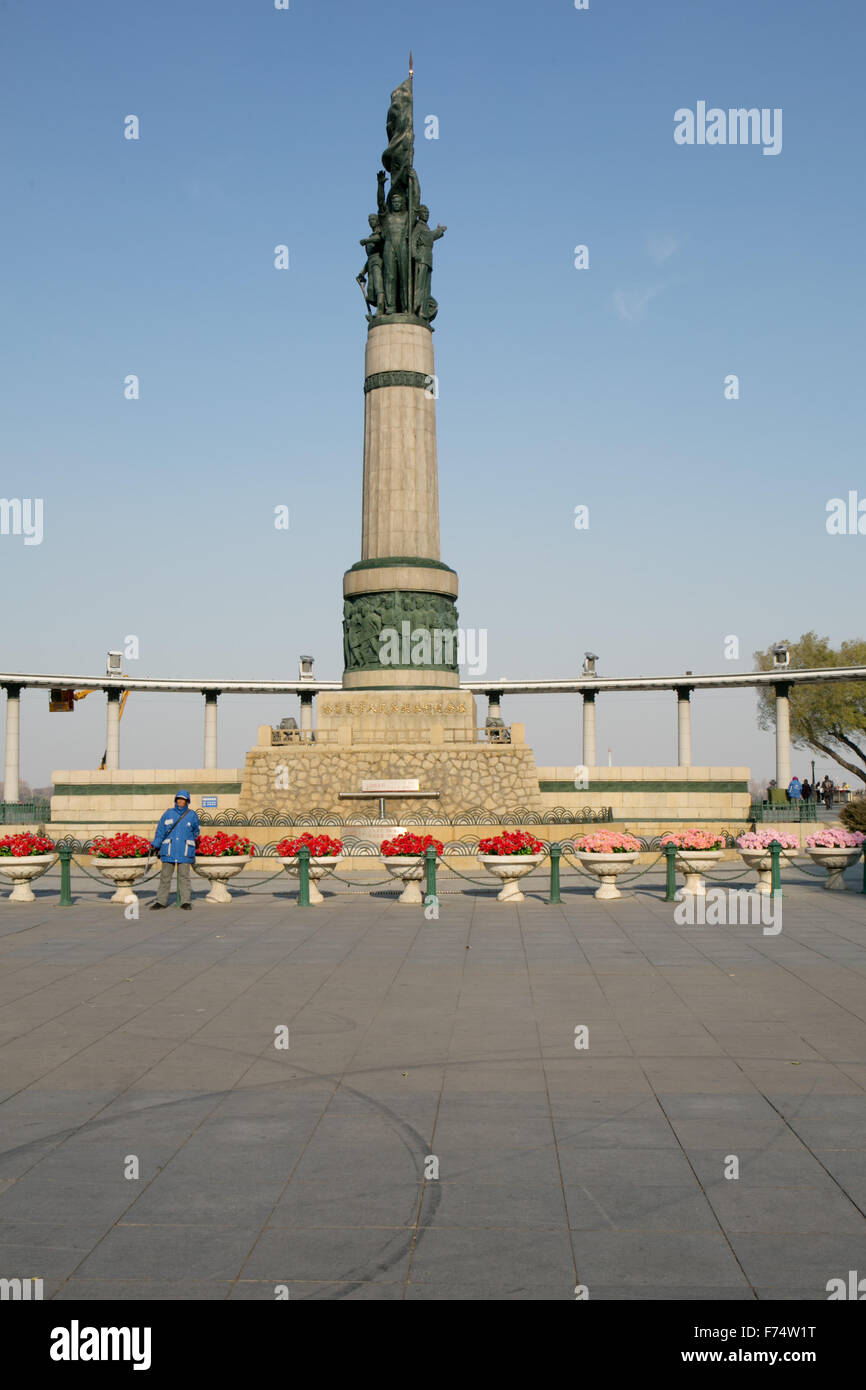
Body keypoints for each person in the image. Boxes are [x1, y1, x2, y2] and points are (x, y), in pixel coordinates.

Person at [149, 790, 200, 910]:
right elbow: (160, 831)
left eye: (183, 799)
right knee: (165, 877)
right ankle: (161, 901)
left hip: (185, 850)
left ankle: (185, 901)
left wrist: (188, 839)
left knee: (184, 877)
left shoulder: (192, 815)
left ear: (187, 801)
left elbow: (196, 831)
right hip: (169, 850)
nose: (180, 801)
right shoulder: (168, 813)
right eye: (179, 799)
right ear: (175, 800)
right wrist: (155, 845)